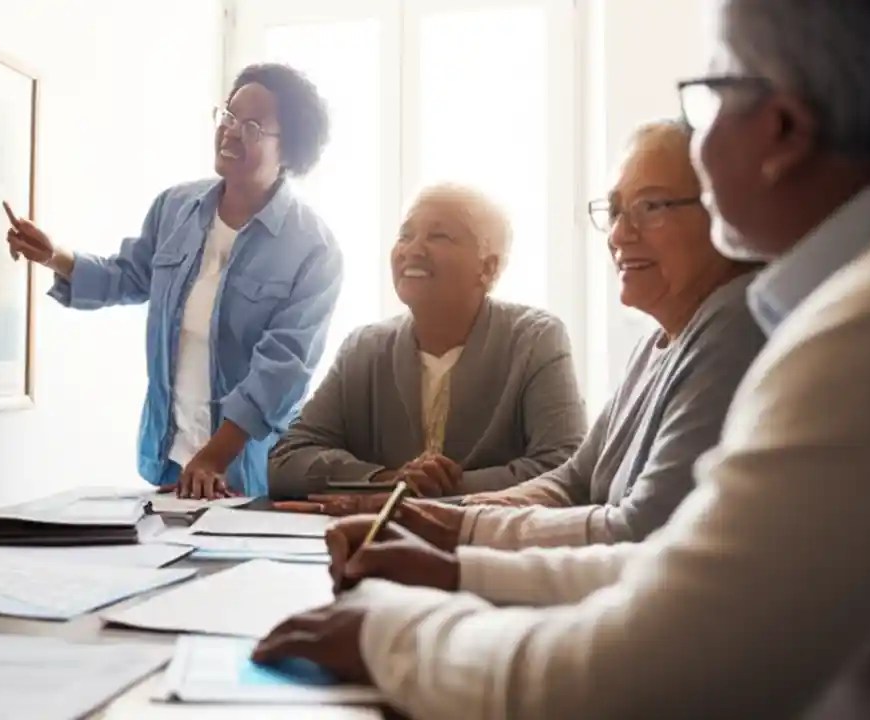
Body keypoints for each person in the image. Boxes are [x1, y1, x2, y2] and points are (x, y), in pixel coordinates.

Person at [254, 1, 870, 717]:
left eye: (708, 95)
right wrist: (459, 560)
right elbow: (674, 559)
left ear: (781, 129)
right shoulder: (835, 304)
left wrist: (389, 630)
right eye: (615, 209)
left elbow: (645, 664)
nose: (623, 233)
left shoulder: (866, 327)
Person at [285, 120, 765, 549]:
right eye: (615, 211)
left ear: (723, 210)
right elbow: (573, 479)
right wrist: (405, 505)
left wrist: (440, 521)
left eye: (650, 206)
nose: (619, 234)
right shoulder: (656, 343)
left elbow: (636, 526)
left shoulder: (730, 328)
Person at [6, 63, 339, 499]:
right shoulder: (175, 206)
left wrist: (213, 458)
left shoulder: (314, 249)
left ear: (290, 151)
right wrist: (55, 256)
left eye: (253, 127)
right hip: (171, 460)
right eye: (229, 116)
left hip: (250, 474)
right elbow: (128, 275)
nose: (231, 132)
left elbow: (282, 370)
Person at [267, 183, 586, 499]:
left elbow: (565, 465)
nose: (413, 250)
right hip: (377, 544)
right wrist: (388, 480)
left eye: (439, 236)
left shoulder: (536, 340)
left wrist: (445, 489)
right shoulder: (363, 349)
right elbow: (286, 460)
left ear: (487, 268)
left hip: (485, 544)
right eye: (405, 236)